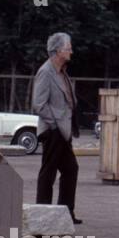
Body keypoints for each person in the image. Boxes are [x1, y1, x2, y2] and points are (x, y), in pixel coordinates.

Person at [31, 32, 81, 224]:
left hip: (63, 131)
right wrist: (53, 126)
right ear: (58, 51)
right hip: (53, 131)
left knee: (71, 169)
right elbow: (39, 104)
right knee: (48, 172)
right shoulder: (46, 71)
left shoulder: (61, 71)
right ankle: (42, 215)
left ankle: (65, 213)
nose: (71, 51)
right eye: (68, 48)